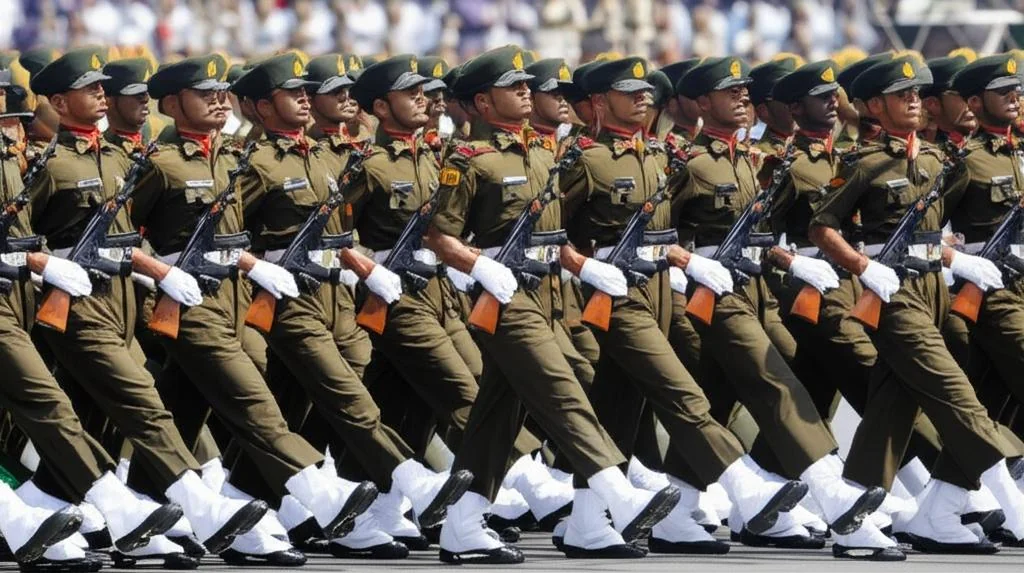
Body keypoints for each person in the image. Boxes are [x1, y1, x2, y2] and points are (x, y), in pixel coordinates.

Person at [425, 45, 680, 563]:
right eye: (512, 85)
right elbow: (438, 235)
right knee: (561, 388)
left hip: (549, 291)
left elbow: (566, 227)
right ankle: (618, 492)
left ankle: (463, 523)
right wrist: (481, 267)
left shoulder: (548, 153)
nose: (527, 90)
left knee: (498, 411)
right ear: (481, 101)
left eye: (527, 83)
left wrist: (583, 265)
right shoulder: (470, 160)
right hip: (503, 295)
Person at [25, 47, 270, 558]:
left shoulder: (122, 160)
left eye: (101, 84)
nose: (101, 91)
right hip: (74, 303)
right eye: (89, 85)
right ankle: (197, 500)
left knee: (103, 410)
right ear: (55, 100)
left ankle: (44, 502)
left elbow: (140, 231)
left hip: (125, 299)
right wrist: (48, 265)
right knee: (140, 399)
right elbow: (23, 235)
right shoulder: (48, 163)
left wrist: (155, 270)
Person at [233, 53, 472, 559]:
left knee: (311, 405)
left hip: (343, 297)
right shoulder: (255, 163)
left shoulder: (333, 157)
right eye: (292, 91)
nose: (304, 97)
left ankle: (254, 507)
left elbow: (348, 228)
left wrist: (361, 266)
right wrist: (258, 268)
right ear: (258, 106)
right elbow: (219, 234)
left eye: (306, 89)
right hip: (288, 298)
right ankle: (410, 480)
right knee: (346, 399)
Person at [670, 56, 896, 558]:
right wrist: (686, 265)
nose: (743, 96)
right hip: (712, 290)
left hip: (755, 288)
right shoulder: (687, 162)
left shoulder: (751, 160)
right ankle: (836, 496)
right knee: (777, 381)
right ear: (701, 103)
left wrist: (787, 263)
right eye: (730, 91)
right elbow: (649, 229)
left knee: (720, 390)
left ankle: (680, 504)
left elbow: (766, 232)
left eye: (746, 90)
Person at [809, 54, 1020, 553]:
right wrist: (863, 268)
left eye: (916, 94)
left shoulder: (933, 158)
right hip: (892, 293)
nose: (913, 101)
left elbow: (943, 231)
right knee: (955, 394)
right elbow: (821, 227)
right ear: (875, 106)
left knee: (891, 406)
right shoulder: (863, 163)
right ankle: (1014, 503)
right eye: (901, 95)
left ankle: (857, 513)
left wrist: (961, 262)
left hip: (936, 289)